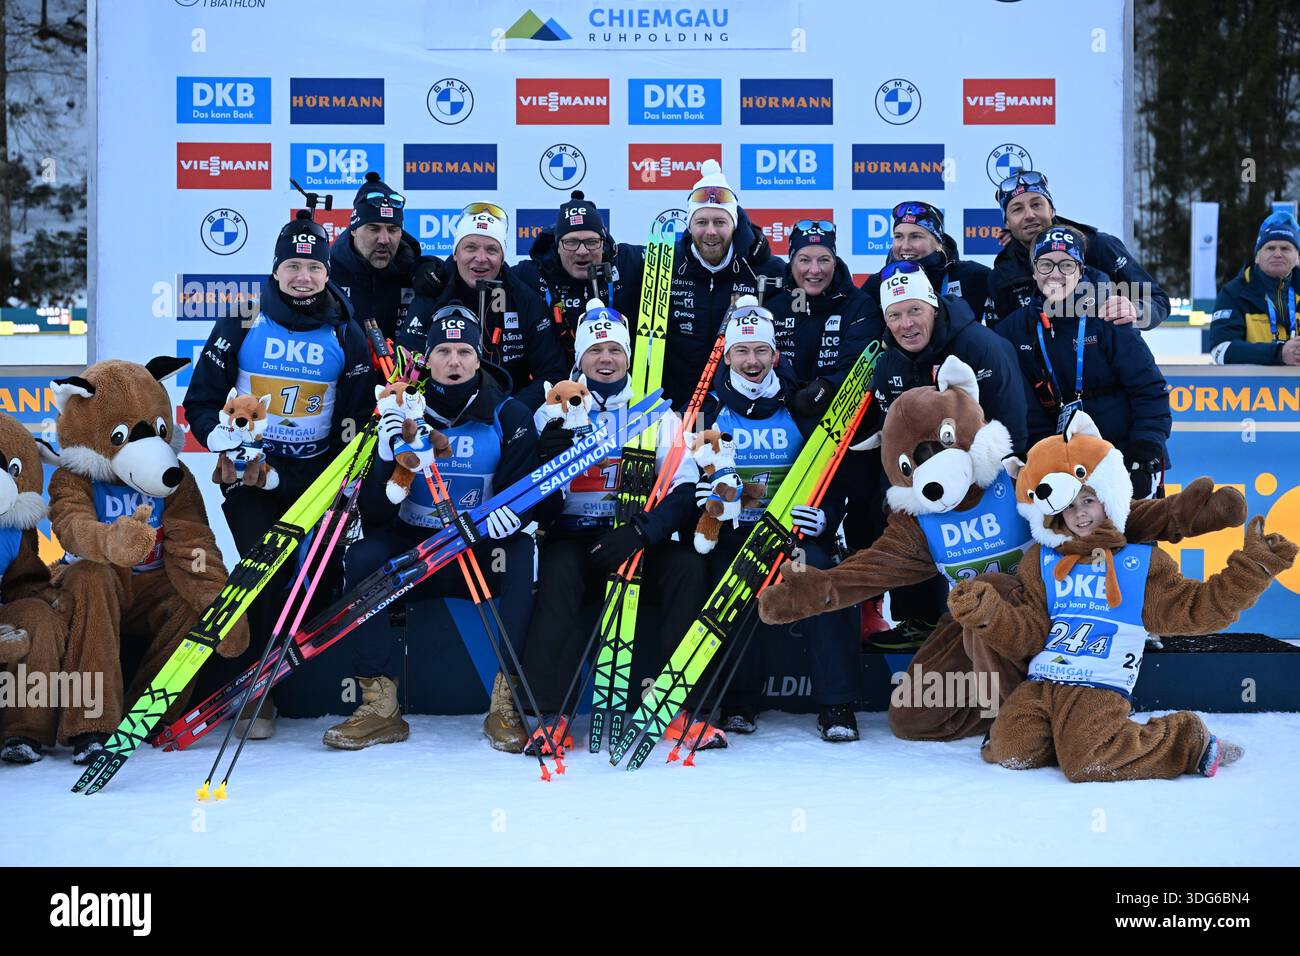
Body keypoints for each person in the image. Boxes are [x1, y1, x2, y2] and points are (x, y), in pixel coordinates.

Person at [950, 434, 1296, 782]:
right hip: (1044, 680)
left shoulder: (1140, 562)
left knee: (1086, 762)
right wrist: (989, 614)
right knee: (1011, 752)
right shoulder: (1040, 562)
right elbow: (1028, 633)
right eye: (1069, 506)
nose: (1080, 513)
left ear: (1109, 499)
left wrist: (1255, 568)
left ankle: (1186, 739)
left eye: (1088, 500)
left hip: (1099, 684)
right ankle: (1069, 737)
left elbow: (1198, 609)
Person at [183, 210, 377, 736]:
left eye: (312, 266)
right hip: (251, 473)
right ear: (275, 271)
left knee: (313, 584)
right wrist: (217, 436)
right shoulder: (244, 317)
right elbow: (199, 400)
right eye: (292, 265)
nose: (303, 277)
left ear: (325, 271)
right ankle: (254, 694)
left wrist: (345, 473)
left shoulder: (344, 327)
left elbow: (356, 417)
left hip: (313, 476)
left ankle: (290, 679)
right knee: (261, 573)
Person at [324, 306, 548, 753]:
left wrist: (512, 518)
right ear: (427, 359)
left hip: (477, 549)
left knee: (522, 553)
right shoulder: (399, 411)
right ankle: (379, 707)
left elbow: (525, 492)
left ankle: (506, 704)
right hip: (415, 547)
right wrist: (388, 453)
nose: (454, 361)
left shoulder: (509, 413)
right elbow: (374, 511)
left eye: (464, 351)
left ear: (479, 358)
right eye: (442, 351)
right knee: (363, 556)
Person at [519, 303, 704, 753]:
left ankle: (677, 707)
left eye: (615, 351)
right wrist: (546, 461)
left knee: (687, 570)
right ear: (580, 358)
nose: (606, 359)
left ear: (627, 357)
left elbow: (685, 487)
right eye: (595, 350)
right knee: (559, 576)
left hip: (635, 534)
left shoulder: (656, 412)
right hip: (574, 533)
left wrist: (644, 532)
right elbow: (529, 496)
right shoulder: (551, 410)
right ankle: (550, 714)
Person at [695, 304, 859, 742]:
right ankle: (739, 701)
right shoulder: (708, 410)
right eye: (742, 351)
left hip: (791, 535)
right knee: (726, 586)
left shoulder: (800, 404)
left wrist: (826, 517)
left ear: (776, 355)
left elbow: (835, 471)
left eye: (761, 351)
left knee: (821, 577)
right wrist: (707, 501)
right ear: (726, 357)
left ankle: (837, 703)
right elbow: (688, 474)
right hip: (733, 532)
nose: (752, 361)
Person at [859, 261, 1028, 649]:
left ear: (934, 307)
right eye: (895, 315)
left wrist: (981, 483)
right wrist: (899, 495)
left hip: (989, 465)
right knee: (898, 509)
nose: (907, 324)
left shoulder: (979, 346)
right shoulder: (888, 364)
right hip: (932, 474)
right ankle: (919, 618)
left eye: (915, 310)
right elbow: (894, 443)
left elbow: (1013, 428)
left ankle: (1012, 613)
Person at [993, 225, 1171, 499]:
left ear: (1080, 271)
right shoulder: (1014, 330)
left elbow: (1149, 389)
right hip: (1064, 466)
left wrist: (1145, 453)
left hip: (1126, 454)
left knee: (1135, 537)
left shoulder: (1109, 316)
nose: (1055, 274)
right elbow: (1023, 408)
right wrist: (1042, 459)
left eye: (1066, 265)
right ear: (1033, 271)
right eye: (1045, 264)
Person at [396, 204, 569, 407]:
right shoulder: (434, 291)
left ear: (503, 257)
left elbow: (552, 374)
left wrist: (509, 412)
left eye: (491, 250)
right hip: (441, 415)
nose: (480, 258)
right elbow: (406, 366)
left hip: (506, 416)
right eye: (470, 247)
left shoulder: (523, 298)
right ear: (455, 253)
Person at [663, 159, 785, 410]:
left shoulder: (768, 270)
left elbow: (789, 338)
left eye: (720, 222)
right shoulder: (666, 266)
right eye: (701, 222)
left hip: (737, 407)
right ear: (689, 225)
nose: (710, 232)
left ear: (735, 225)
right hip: (673, 406)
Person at [988, 171, 1170, 329]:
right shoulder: (1004, 272)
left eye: (1036, 204)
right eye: (1017, 209)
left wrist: (1135, 311)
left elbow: (1158, 300)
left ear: (1051, 210)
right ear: (1007, 222)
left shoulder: (1097, 245)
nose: (1029, 215)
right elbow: (1003, 341)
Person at [763, 219, 883, 419]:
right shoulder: (772, 304)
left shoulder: (858, 305)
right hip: (779, 413)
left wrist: (827, 387)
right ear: (791, 262)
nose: (815, 269)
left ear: (835, 262)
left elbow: (859, 368)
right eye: (804, 260)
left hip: (835, 414)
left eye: (824, 260)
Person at [515, 190, 645, 363]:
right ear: (557, 246)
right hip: (557, 383)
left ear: (603, 243)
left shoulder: (628, 261)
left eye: (592, 242)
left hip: (618, 378)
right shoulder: (531, 273)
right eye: (571, 242)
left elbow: (682, 260)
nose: (582, 251)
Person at [328, 172, 444, 342]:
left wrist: (432, 267)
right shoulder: (326, 273)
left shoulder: (416, 274)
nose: (384, 240)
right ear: (353, 230)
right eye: (373, 229)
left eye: (392, 230)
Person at [860, 201, 997, 325]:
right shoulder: (876, 286)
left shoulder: (974, 277)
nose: (905, 246)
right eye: (898, 237)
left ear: (938, 243)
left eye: (916, 236)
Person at [1208, 210, 1300, 365]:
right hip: (1251, 387)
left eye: (1285, 248)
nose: (1277, 254)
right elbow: (1221, 350)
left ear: (1297, 257)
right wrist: (1279, 353)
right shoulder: (1234, 293)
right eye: (1270, 248)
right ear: (1257, 257)